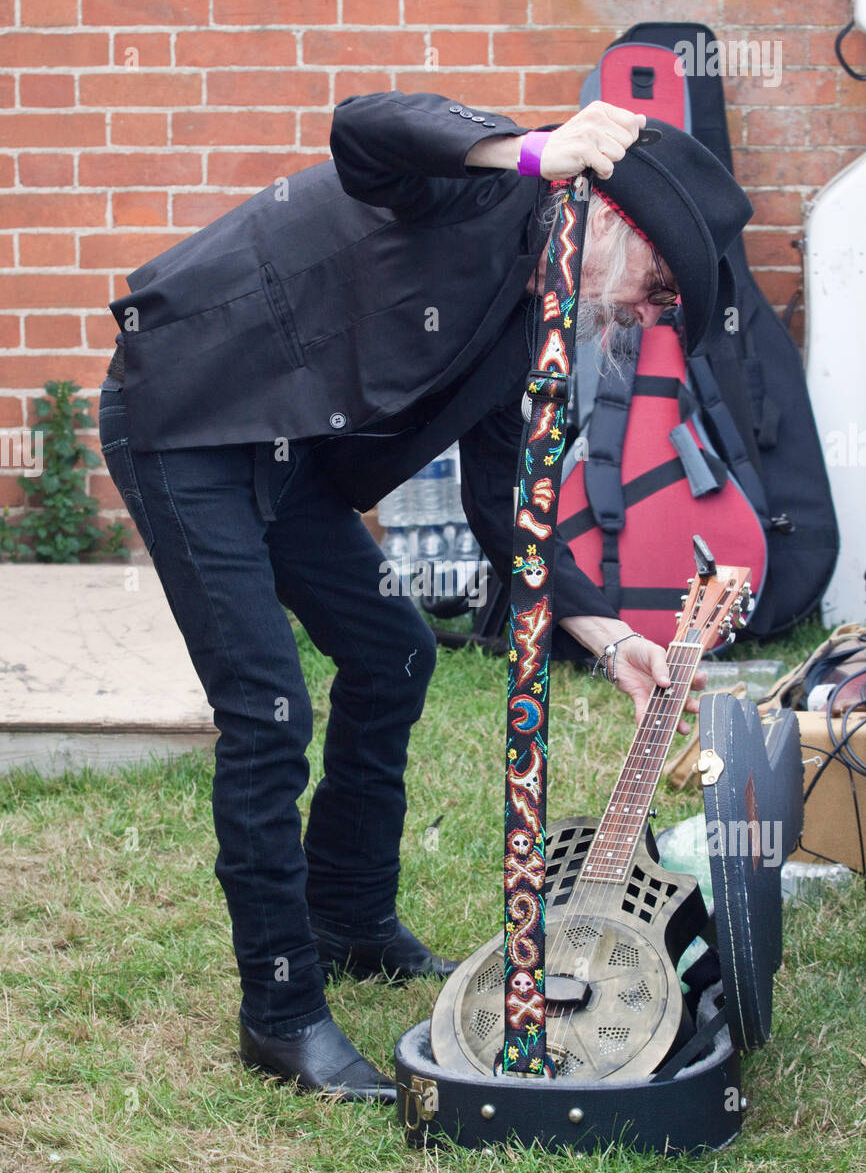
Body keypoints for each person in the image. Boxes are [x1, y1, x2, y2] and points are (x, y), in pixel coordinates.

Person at [99, 93, 753, 1103]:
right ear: (621, 222)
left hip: (289, 464)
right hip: (189, 411)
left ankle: (350, 918)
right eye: (660, 285)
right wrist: (534, 149)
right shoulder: (486, 188)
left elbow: (504, 505)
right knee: (269, 709)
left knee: (397, 651)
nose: (646, 312)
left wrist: (605, 630)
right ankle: (281, 1012)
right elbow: (363, 125)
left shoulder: (533, 324)